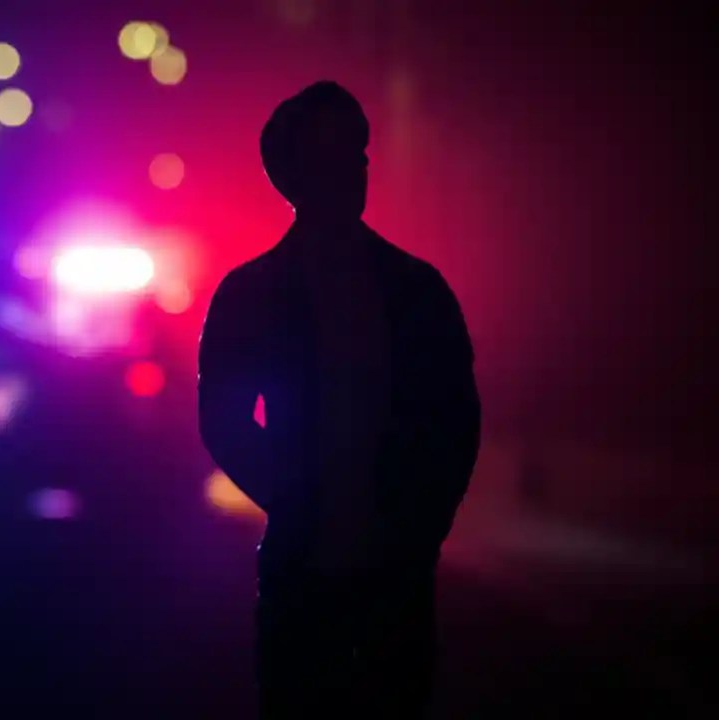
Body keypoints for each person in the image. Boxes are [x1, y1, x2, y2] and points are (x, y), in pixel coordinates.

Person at [198, 81, 480, 718]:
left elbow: (456, 418)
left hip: (380, 570)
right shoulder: (257, 292)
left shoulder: (413, 288)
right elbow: (223, 419)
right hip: (315, 569)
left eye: (356, 152)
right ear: (293, 173)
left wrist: (419, 521)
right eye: (335, 154)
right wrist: (304, 497)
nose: (354, 169)